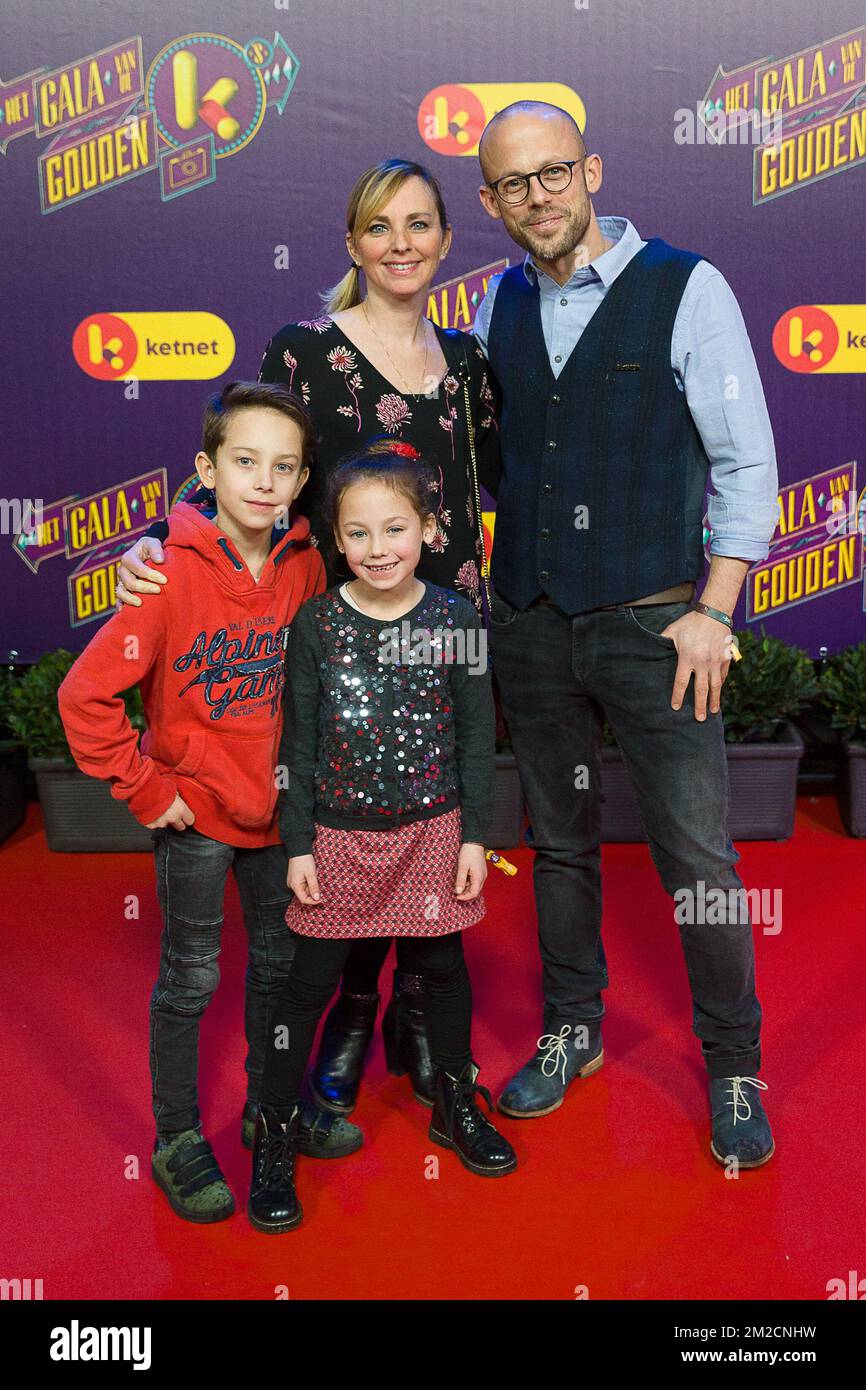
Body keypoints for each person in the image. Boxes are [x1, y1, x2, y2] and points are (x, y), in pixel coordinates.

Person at [113, 159, 501, 1118]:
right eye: (380, 227)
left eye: (420, 225)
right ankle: (358, 1011)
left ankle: (414, 1014)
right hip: (339, 624)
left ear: (448, 241)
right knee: (348, 819)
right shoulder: (304, 350)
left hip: (442, 618)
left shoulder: (469, 366)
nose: (401, 244)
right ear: (352, 244)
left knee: (430, 811)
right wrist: (161, 538)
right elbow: (252, 460)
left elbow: (492, 487)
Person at [472, 101, 778, 1167]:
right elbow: (485, 461)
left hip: (656, 624)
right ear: (489, 201)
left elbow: (744, 464)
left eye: (553, 172)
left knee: (694, 853)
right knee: (556, 843)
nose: (537, 197)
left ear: (590, 169)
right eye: (512, 184)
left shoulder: (687, 289)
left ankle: (734, 1062)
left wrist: (713, 609)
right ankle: (572, 1031)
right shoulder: (495, 302)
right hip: (529, 623)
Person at [58, 382, 363, 1225]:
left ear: (302, 480)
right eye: (244, 463)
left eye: (284, 467)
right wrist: (148, 789)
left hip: (277, 816)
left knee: (277, 971)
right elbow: (84, 700)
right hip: (193, 816)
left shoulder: (306, 566)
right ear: (207, 470)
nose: (264, 482)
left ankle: (273, 1110)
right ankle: (176, 1137)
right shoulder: (161, 575)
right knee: (191, 978)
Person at [248, 444, 516, 1233]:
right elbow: (295, 747)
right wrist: (297, 845)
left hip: (433, 829)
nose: (378, 549)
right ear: (335, 540)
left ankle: (457, 1106)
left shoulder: (454, 617)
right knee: (307, 986)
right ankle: (275, 1133)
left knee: (441, 967)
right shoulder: (318, 623)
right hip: (335, 834)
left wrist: (475, 835)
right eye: (357, 534)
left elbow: (476, 736)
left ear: (429, 530)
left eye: (395, 529)